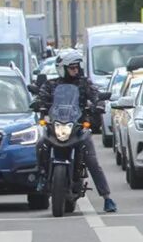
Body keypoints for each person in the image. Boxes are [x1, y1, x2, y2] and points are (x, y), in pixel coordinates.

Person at [31, 49, 116, 212]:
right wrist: (38, 104)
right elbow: (41, 98)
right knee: (41, 144)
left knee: (92, 161)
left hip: (77, 127)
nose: (75, 71)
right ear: (62, 68)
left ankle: (107, 198)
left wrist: (98, 104)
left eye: (77, 67)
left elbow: (95, 94)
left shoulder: (84, 83)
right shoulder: (51, 85)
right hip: (57, 126)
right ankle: (42, 176)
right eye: (71, 68)